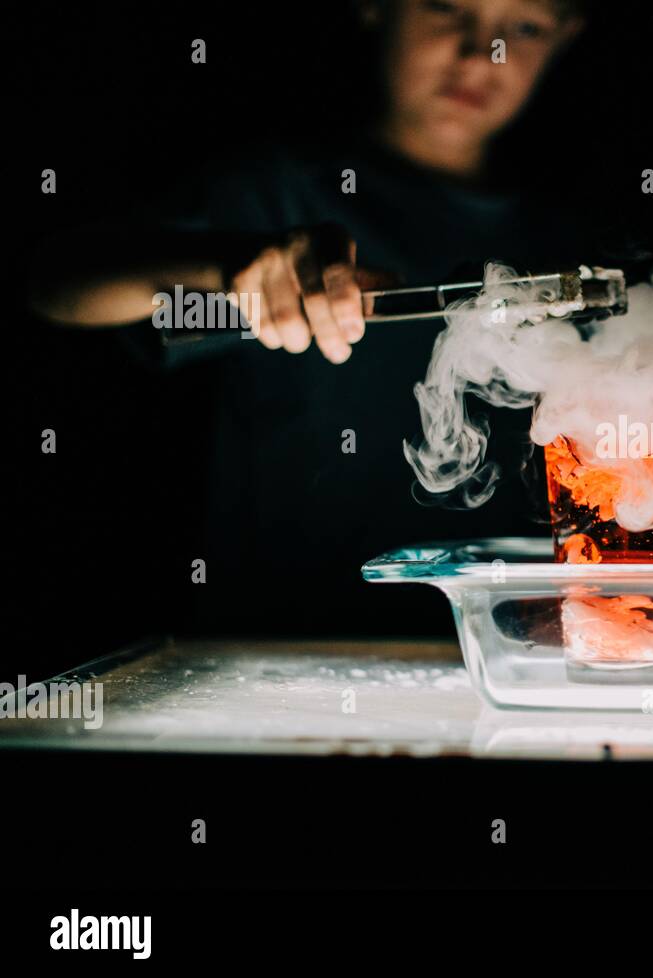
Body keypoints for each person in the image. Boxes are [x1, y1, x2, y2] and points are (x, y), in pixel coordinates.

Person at [28, 0, 594, 633]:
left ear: (566, 35)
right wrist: (230, 266)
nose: (477, 53)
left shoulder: (571, 241)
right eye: (445, 8)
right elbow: (53, 283)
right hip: (283, 650)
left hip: (509, 651)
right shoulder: (276, 196)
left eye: (524, 28)